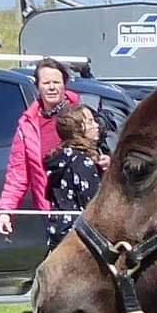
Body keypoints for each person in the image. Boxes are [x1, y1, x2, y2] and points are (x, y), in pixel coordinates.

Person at [0, 58, 80, 238]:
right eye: (46, 83)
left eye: (56, 82)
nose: (51, 87)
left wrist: (104, 161)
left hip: (84, 207)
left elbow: (105, 152)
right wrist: (5, 211)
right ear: (38, 86)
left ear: (64, 85)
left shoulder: (81, 114)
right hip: (51, 211)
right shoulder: (27, 125)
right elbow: (17, 175)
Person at [44, 106, 104, 249]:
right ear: (78, 129)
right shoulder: (82, 162)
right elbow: (93, 206)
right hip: (79, 239)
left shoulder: (60, 160)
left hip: (58, 233)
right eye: (90, 122)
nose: (97, 125)